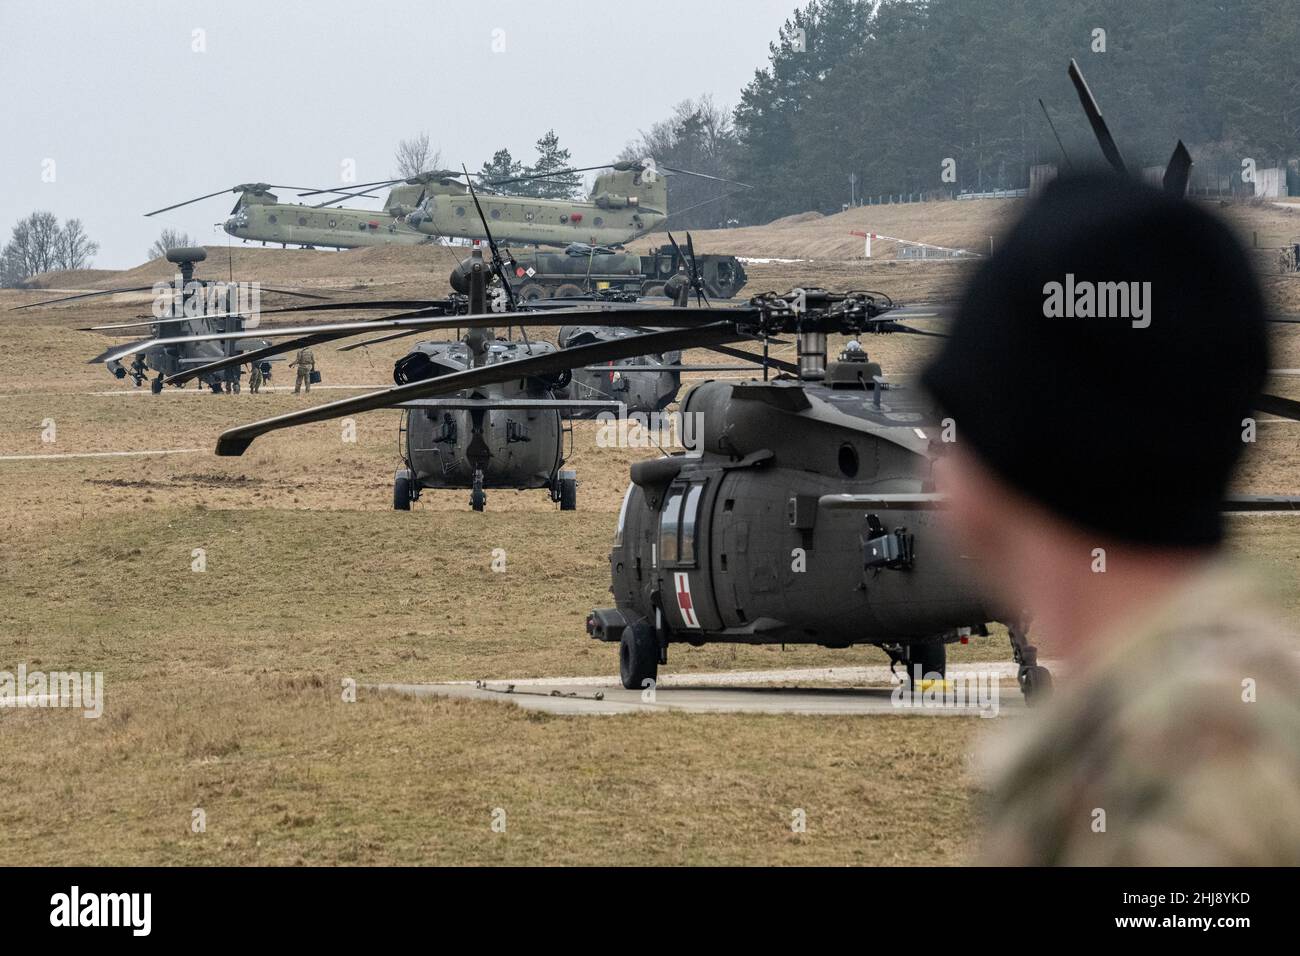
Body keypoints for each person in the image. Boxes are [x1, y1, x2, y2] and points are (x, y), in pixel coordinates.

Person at [921, 172, 1300, 865]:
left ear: (1018, 453)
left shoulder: (1185, 771)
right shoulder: (1180, 715)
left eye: (950, 426)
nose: (934, 464)